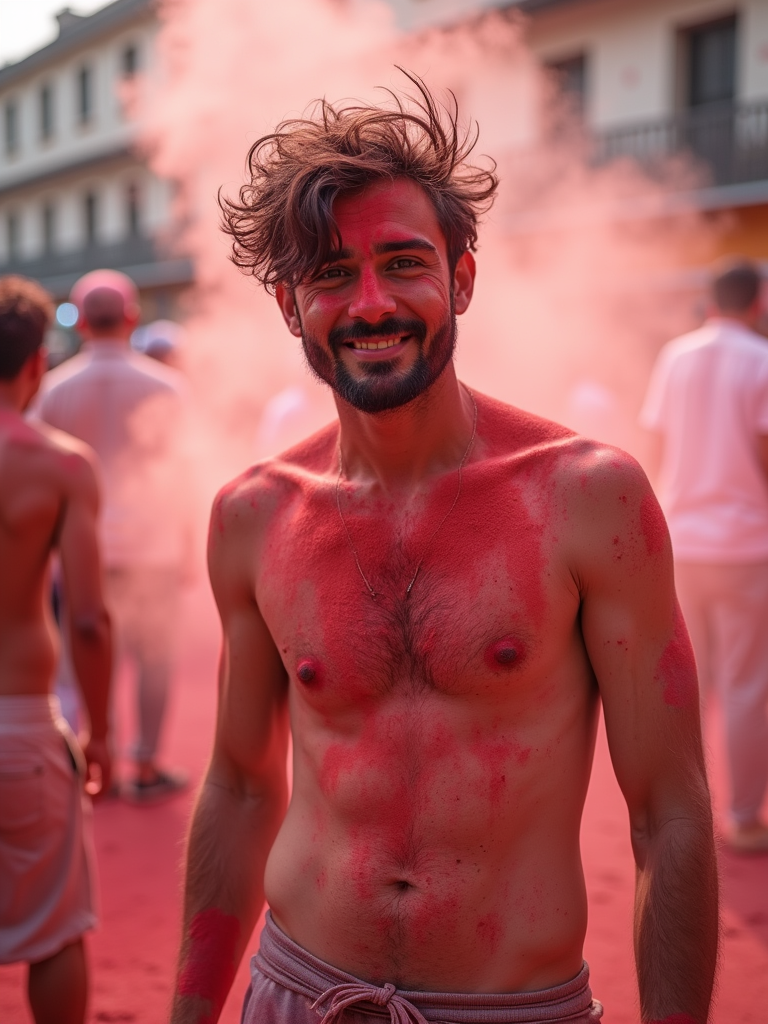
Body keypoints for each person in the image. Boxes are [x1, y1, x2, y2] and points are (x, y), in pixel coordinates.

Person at [171, 77, 718, 1024]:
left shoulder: (589, 496)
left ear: (461, 277)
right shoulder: (254, 514)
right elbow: (237, 784)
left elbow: (669, 815)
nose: (371, 302)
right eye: (332, 274)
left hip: (511, 1008)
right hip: (297, 989)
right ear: (288, 303)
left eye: (403, 262)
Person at [0, 275, 112, 1024]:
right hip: (21, 724)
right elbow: (90, 619)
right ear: (37, 362)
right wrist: (101, 733)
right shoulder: (62, 464)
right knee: (54, 929)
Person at [36, 270, 192, 803]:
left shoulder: (54, 389)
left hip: (82, 550)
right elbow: (185, 473)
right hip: (154, 544)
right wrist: (192, 543)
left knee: (82, 655)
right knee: (155, 657)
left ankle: (89, 758)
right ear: (132, 317)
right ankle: (144, 764)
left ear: (78, 321)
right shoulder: (167, 386)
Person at [641, 257, 768, 854]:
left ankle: (679, 815)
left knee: (690, 682)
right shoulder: (761, 360)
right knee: (746, 683)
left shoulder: (676, 356)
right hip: (747, 544)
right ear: (757, 301)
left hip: (683, 540)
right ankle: (742, 818)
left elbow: (656, 443)